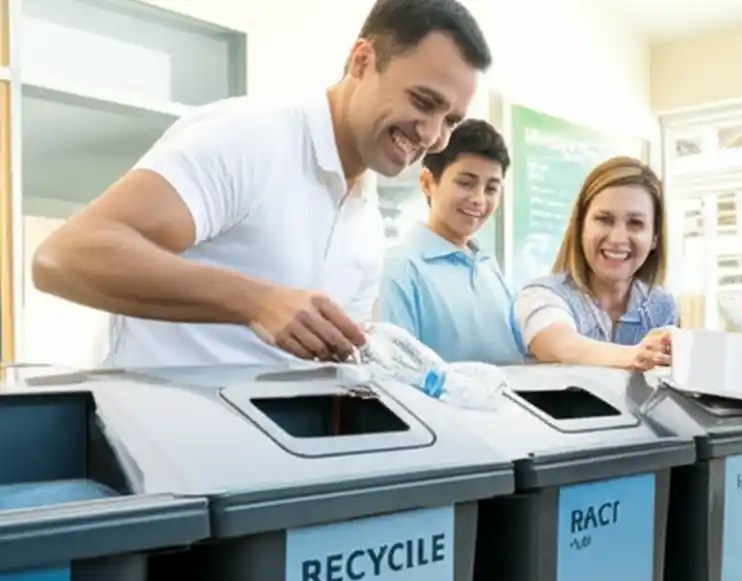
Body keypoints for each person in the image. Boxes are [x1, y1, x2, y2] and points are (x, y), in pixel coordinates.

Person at [31, 0, 489, 368]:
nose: (431, 135)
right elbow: (63, 257)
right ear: (362, 60)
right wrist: (255, 301)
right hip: (144, 454)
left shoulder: (366, 218)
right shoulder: (251, 138)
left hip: (262, 465)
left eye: (450, 120)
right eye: (423, 102)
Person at [378, 118, 524, 364]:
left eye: (491, 189)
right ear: (427, 183)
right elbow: (397, 374)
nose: (479, 199)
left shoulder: (489, 266)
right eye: (465, 183)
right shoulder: (401, 268)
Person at [513, 156, 677, 371]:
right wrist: (637, 355)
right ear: (580, 227)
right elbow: (560, 345)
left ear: (654, 237)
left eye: (635, 223)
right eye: (604, 219)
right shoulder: (540, 296)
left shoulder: (662, 306)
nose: (618, 238)